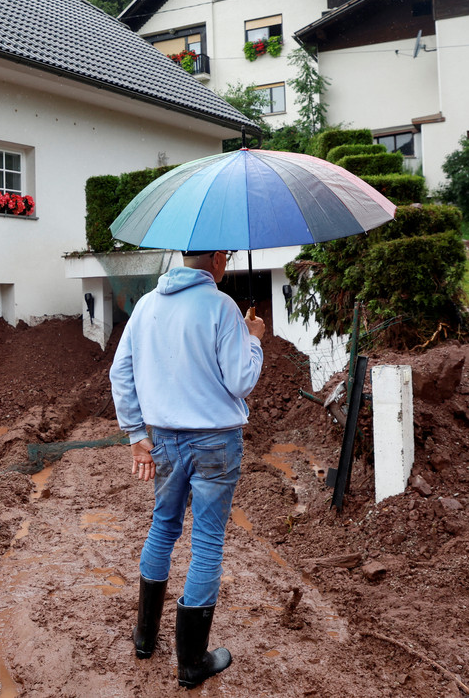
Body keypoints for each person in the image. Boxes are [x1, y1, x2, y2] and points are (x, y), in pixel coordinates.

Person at [109, 249, 265, 688]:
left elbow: (120, 372)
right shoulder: (221, 306)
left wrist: (135, 433)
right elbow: (241, 381)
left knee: (163, 527)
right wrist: (253, 339)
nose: (227, 262)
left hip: (164, 439)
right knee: (208, 541)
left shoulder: (147, 305)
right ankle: (192, 662)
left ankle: (144, 638)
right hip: (216, 441)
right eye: (226, 256)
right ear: (216, 258)